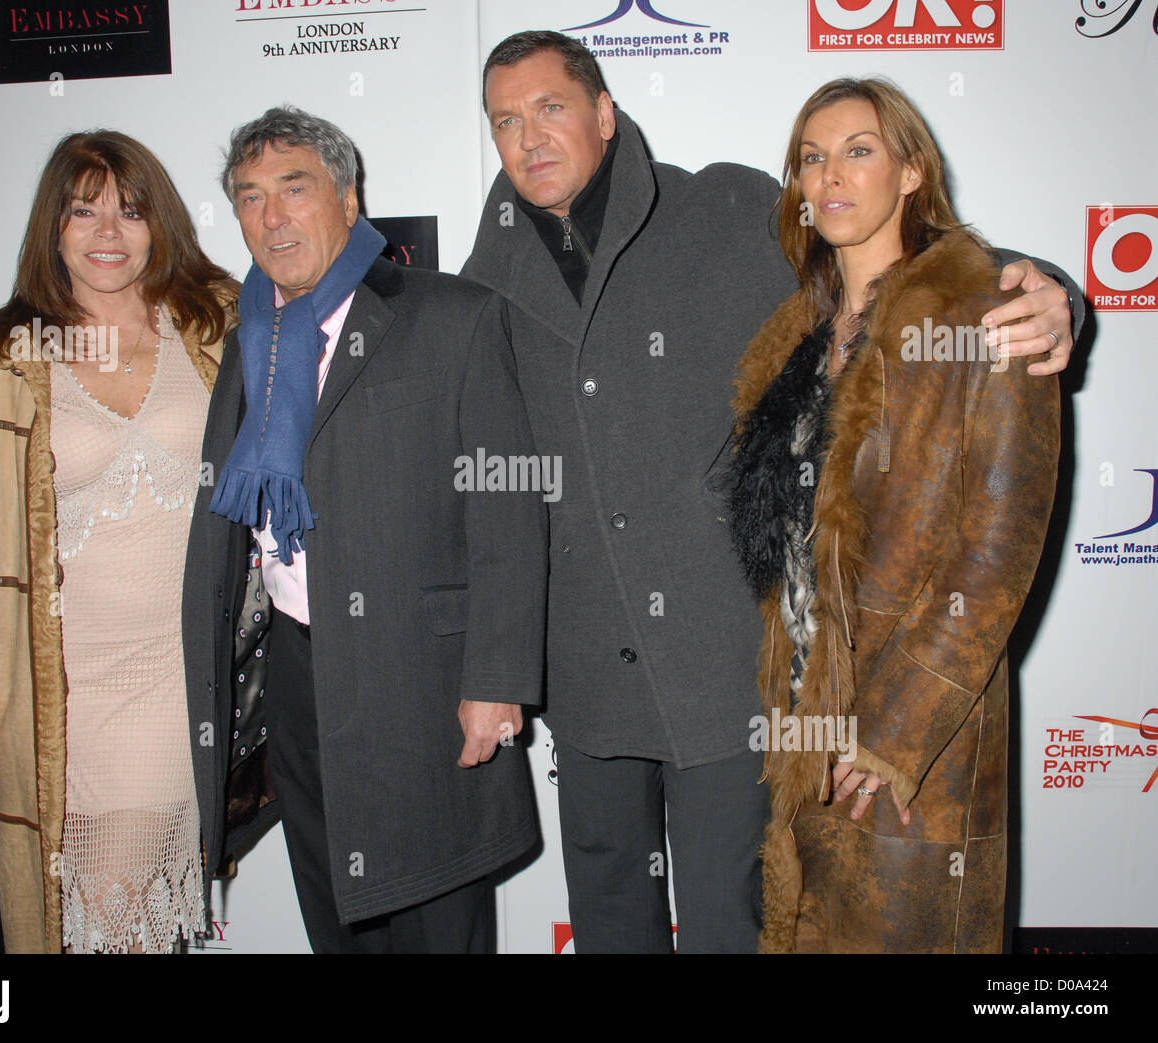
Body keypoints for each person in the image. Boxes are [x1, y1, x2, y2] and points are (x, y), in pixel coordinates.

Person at [461, 30, 1079, 953]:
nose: (529, 137)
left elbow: (880, 258)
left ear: (603, 113)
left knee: (730, 921)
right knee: (610, 921)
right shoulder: (491, 267)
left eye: (550, 107)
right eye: (505, 121)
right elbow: (487, 479)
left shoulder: (724, 205)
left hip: (726, 663)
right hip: (585, 669)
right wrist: (500, 667)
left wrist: (1048, 289)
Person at [183, 106, 547, 953]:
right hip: (300, 675)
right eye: (248, 197)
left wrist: (494, 679)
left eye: (294, 187)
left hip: (425, 678)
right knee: (337, 913)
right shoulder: (251, 344)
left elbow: (509, 510)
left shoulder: (454, 316)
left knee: (436, 919)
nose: (270, 216)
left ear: (348, 198)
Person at [725, 77, 1059, 953]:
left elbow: (995, 555)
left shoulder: (990, 318)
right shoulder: (797, 336)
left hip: (918, 746)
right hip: (806, 716)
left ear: (912, 171)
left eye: (858, 150)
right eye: (811, 157)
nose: (829, 176)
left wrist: (891, 734)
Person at [0, 131, 238, 953]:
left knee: (118, 920)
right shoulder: (4, 354)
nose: (109, 232)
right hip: (56, 678)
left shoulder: (214, 323)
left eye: (131, 211)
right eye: (84, 210)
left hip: (171, 673)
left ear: (159, 223)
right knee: (71, 922)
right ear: (53, 228)